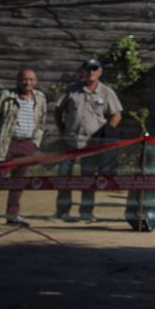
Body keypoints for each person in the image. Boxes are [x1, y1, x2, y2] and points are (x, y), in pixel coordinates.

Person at [52, 58, 122, 222]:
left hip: (92, 144)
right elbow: (57, 110)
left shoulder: (106, 92)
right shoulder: (72, 90)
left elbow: (117, 114)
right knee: (64, 177)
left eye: (94, 69)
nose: (91, 72)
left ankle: (86, 212)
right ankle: (63, 212)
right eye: (88, 69)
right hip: (70, 142)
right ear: (82, 72)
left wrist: (105, 133)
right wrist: (62, 130)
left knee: (88, 179)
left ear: (100, 72)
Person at [0, 67, 47, 227]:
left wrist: (35, 143)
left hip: (26, 144)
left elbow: (41, 122)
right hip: (6, 143)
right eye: (24, 79)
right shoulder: (6, 96)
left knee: (18, 182)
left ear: (35, 82)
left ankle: (13, 215)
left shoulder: (40, 98)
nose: (27, 82)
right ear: (18, 80)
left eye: (31, 79)